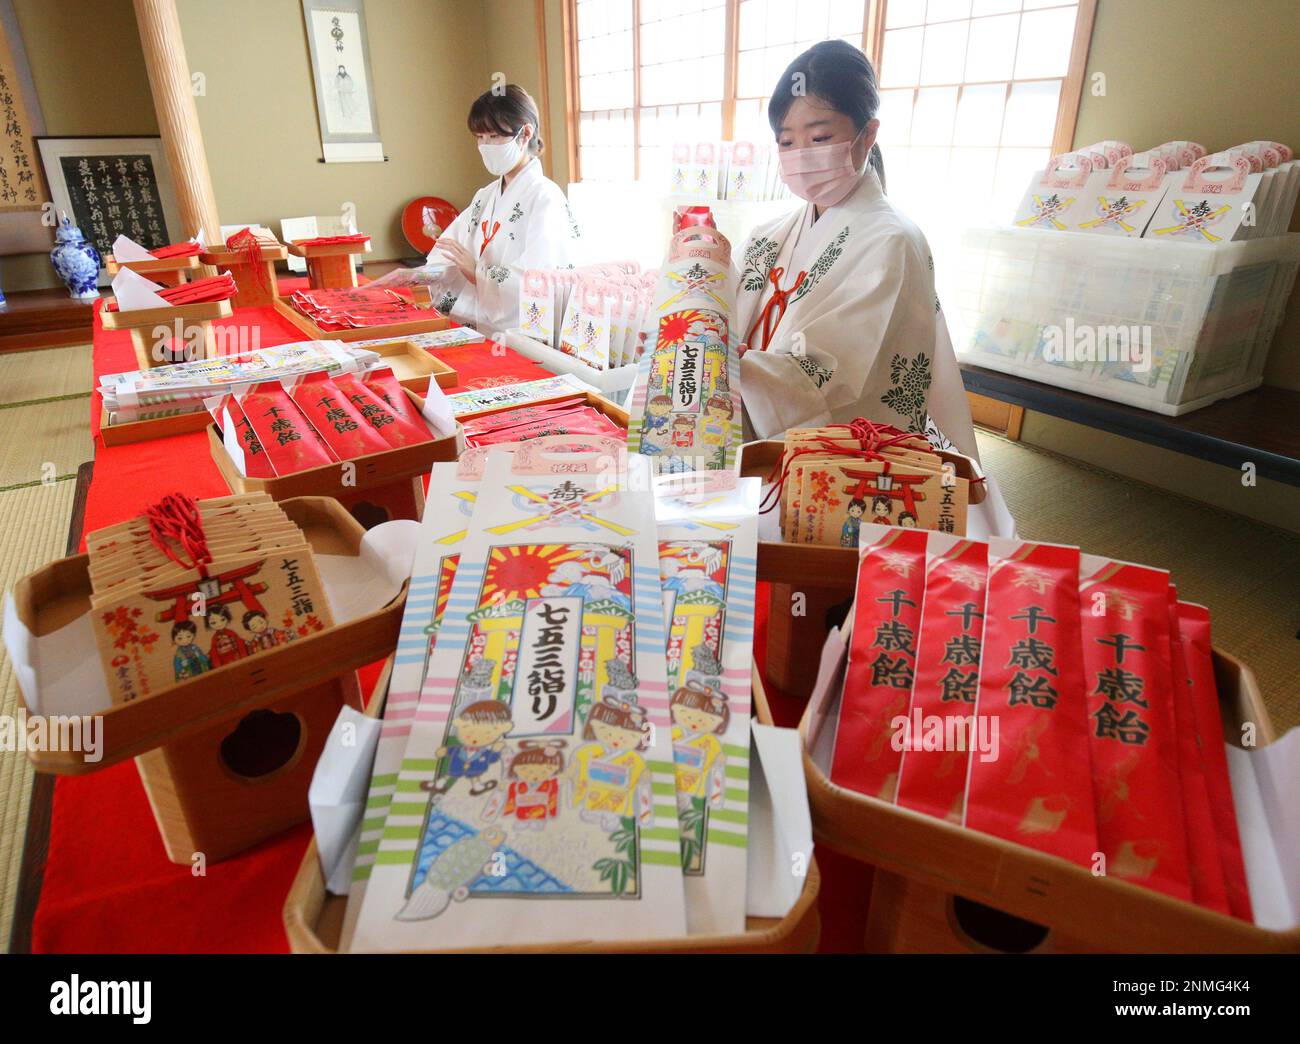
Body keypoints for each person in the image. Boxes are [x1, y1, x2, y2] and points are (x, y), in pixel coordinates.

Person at [734, 40, 980, 465]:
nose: (802, 155)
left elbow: (842, 368)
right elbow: (722, 309)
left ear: (868, 134)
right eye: (787, 142)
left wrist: (741, 368)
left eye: (821, 136)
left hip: (846, 459)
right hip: (752, 429)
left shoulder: (892, 240)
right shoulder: (769, 233)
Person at [424, 84, 579, 335]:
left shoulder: (545, 198)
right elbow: (449, 250)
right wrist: (429, 273)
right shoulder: (485, 197)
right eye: (479, 137)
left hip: (517, 334)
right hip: (476, 323)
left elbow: (539, 281)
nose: (485, 145)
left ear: (525, 133)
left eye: (494, 137)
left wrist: (477, 271)